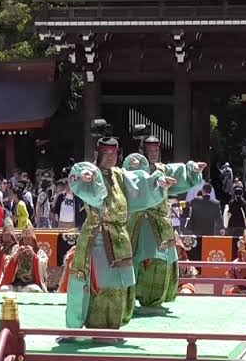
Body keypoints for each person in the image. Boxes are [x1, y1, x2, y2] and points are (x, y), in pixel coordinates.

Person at [60, 134, 169, 342]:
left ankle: (113, 326)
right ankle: (98, 328)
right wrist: (86, 177)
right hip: (97, 235)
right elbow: (79, 177)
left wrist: (159, 182)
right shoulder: (91, 172)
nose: (110, 157)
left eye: (113, 153)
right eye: (105, 153)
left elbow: (140, 181)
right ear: (97, 155)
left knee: (120, 282)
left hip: (119, 235)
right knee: (99, 281)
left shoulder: (119, 175)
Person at [128, 137, 205, 315]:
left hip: (161, 221)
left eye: (156, 149)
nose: (154, 152)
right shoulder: (136, 169)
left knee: (164, 261)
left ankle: (155, 300)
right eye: (150, 149)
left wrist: (193, 169)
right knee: (140, 259)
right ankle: (135, 297)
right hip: (141, 221)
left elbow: (180, 172)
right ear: (143, 151)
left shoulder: (163, 169)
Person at [0, 223, 48, 293]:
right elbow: (6, 264)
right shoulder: (16, 249)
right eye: (25, 239)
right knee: (3, 289)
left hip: (31, 283)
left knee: (35, 290)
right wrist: (15, 255)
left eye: (29, 239)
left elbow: (44, 262)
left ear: (34, 240)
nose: (27, 241)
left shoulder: (39, 252)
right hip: (15, 283)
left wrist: (33, 255)